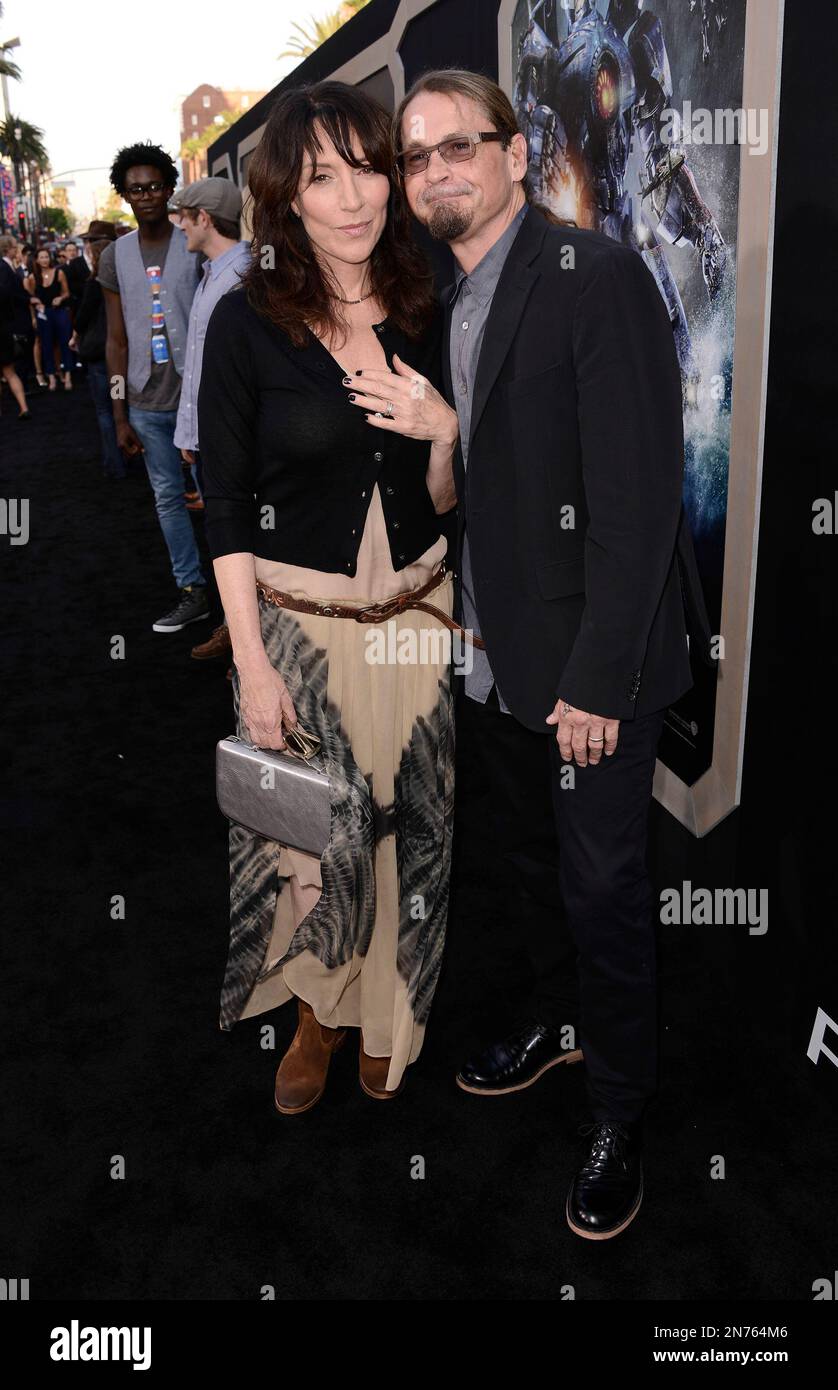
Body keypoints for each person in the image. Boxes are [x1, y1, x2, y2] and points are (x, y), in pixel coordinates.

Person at [394, 69, 715, 1240]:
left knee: (604, 890)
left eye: (457, 147)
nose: (435, 170)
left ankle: (620, 1113)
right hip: (494, 659)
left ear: (516, 154)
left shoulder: (597, 279)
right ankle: (556, 1024)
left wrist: (596, 682)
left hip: (589, 675)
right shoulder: (451, 300)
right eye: (415, 155)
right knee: (530, 874)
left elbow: (633, 506)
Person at [198, 80, 459, 1113]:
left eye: (367, 168)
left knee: (411, 830)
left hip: (417, 625)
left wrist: (443, 435)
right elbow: (223, 508)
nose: (352, 198)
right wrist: (253, 665)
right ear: (284, 198)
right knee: (310, 837)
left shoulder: (426, 301)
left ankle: (390, 1007)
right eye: (321, 178)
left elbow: (442, 505)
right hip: (299, 636)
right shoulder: (248, 325)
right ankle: (315, 1006)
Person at [99, 141, 208, 632]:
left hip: (200, 399)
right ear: (123, 194)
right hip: (145, 403)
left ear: (169, 188)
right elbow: (115, 340)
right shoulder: (114, 257)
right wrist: (120, 414)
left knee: (221, 496)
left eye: (155, 186)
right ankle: (193, 590)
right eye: (136, 188)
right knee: (168, 499)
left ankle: (246, 596)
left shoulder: (195, 239)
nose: (146, 196)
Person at [167, 176, 252, 666]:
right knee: (225, 537)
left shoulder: (241, 275)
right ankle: (233, 628)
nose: (178, 224)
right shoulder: (214, 271)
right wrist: (188, 432)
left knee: (236, 538)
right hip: (209, 436)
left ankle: (243, 639)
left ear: (204, 218)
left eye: (186, 215)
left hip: (228, 439)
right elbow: (198, 365)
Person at [70, 221, 125, 479]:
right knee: (122, 406)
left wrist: (77, 334)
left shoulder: (94, 284)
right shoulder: (124, 278)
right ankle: (128, 455)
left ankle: (115, 464)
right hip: (121, 354)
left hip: (100, 356)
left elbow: (81, 319)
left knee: (105, 410)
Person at [24, 247, 74, 390]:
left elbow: (67, 293)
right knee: (46, 345)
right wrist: (34, 315)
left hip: (59, 312)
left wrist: (60, 298)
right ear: (37, 260)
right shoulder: (33, 278)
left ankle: (68, 375)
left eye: (46, 257)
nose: (45, 260)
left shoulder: (59, 273)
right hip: (43, 314)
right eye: (42, 257)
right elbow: (31, 298)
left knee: (65, 342)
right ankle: (51, 376)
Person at [0, 235, 32, 419]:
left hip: (5, 327)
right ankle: (23, 407)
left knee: (8, 371)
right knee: (10, 371)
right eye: (14, 248)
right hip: (5, 326)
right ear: (8, 249)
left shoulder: (6, 267)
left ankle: (21, 407)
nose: (16, 251)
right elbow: (6, 294)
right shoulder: (3, 268)